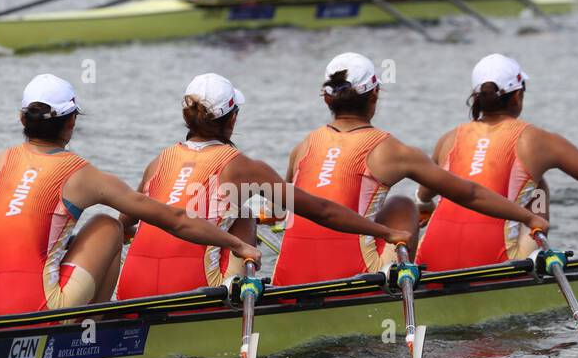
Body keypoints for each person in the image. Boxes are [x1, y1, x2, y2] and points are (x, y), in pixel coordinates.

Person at [0, 74, 261, 317]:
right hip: (40, 308)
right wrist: (238, 244)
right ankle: (94, 330)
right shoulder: (82, 175)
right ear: (71, 122)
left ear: (21, 119)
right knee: (108, 226)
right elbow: (176, 220)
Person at [116, 73, 410, 299]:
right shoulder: (243, 167)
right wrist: (386, 232)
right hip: (193, 289)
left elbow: (125, 224)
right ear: (232, 118)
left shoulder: (159, 160)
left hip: (132, 289)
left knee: (239, 212)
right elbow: (322, 211)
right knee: (244, 216)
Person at [271, 52, 548, 285]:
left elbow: (283, 211)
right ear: (375, 94)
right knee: (403, 205)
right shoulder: (394, 151)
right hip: (355, 278)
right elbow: (470, 194)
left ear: (326, 98)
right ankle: (402, 286)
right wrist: (529, 217)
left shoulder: (303, 146)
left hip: (288, 281)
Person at [416, 54, 578, 271]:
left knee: (526, 183)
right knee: (537, 187)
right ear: (517, 96)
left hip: (430, 261)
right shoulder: (537, 140)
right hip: (494, 263)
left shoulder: (448, 139)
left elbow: (424, 193)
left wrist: (427, 205)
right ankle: (530, 268)